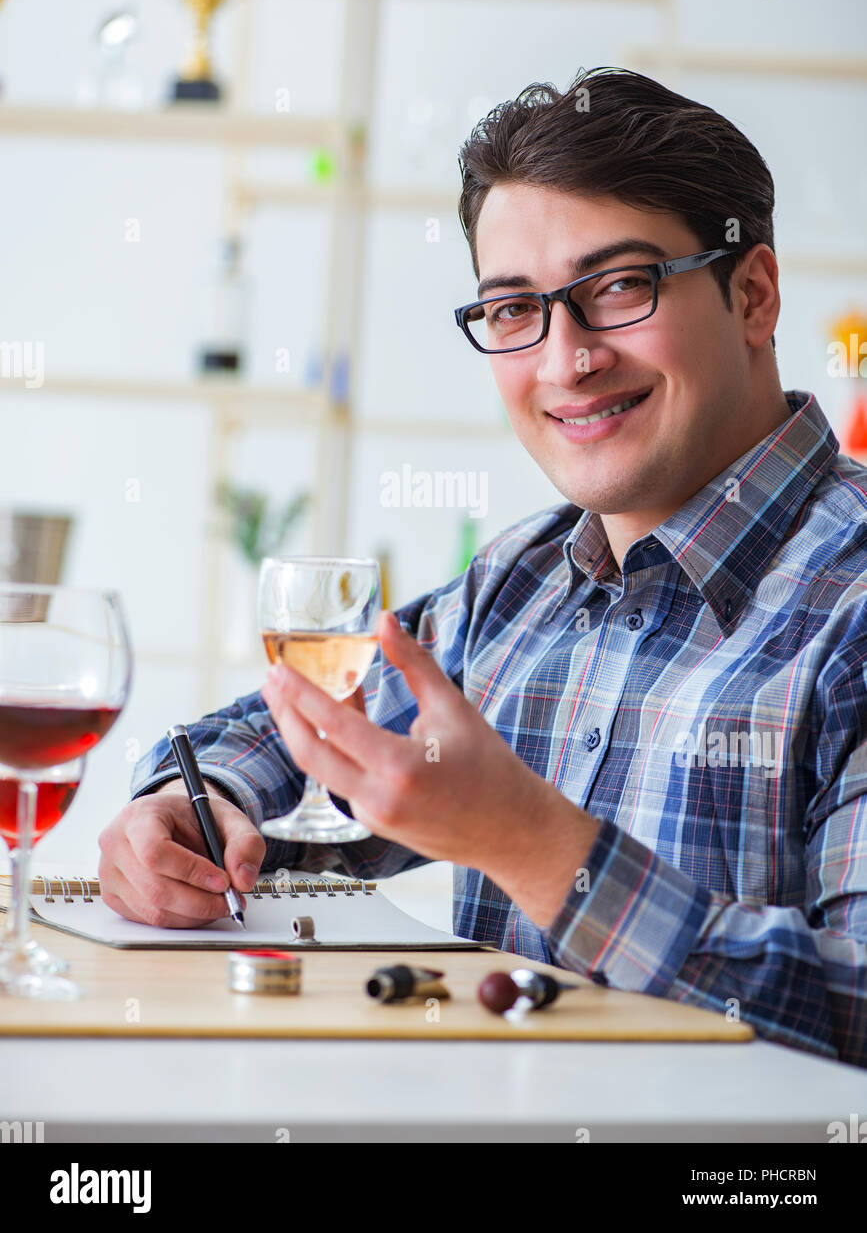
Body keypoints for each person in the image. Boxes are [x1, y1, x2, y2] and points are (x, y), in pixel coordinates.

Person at [99, 66, 867, 1068]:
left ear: (753, 293)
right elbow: (305, 733)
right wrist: (191, 813)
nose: (566, 358)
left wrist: (533, 843)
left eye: (620, 286)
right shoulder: (523, 581)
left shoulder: (846, 606)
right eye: (514, 310)